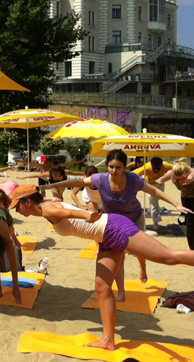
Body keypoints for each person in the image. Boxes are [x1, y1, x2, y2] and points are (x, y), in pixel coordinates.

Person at [10, 183, 194, 350]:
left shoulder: (47, 210)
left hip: (114, 228)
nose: (16, 210)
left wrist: (88, 215)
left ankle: (108, 339)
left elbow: (69, 213)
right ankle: (108, 340)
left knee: (168, 257)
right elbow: (58, 203)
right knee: (102, 286)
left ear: (27, 201)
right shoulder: (47, 206)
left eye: (17, 205)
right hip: (105, 237)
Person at [41, 149, 187, 297]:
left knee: (141, 250)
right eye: (111, 167)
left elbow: (154, 192)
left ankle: (142, 267)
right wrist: (52, 186)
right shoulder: (100, 179)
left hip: (135, 217)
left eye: (118, 167)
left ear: (124, 167)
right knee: (119, 255)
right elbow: (79, 181)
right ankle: (121, 291)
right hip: (114, 222)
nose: (114, 170)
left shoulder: (133, 179)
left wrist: (176, 204)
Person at [157, 159, 194, 249]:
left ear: (186, 173)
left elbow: (192, 175)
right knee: (190, 224)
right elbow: (164, 177)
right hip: (186, 199)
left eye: (181, 178)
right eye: (177, 179)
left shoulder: (191, 173)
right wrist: (160, 180)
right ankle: (193, 249)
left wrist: (190, 179)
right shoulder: (172, 173)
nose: (180, 181)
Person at [134, 157, 174, 231]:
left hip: (160, 183)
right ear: (151, 165)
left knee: (158, 199)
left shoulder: (166, 165)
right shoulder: (146, 167)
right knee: (154, 203)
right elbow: (133, 174)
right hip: (150, 185)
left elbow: (177, 168)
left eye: (158, 168)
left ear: (161, 166)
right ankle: (156, 223)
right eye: (154, 168)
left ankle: (156, 214)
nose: (156, 170)